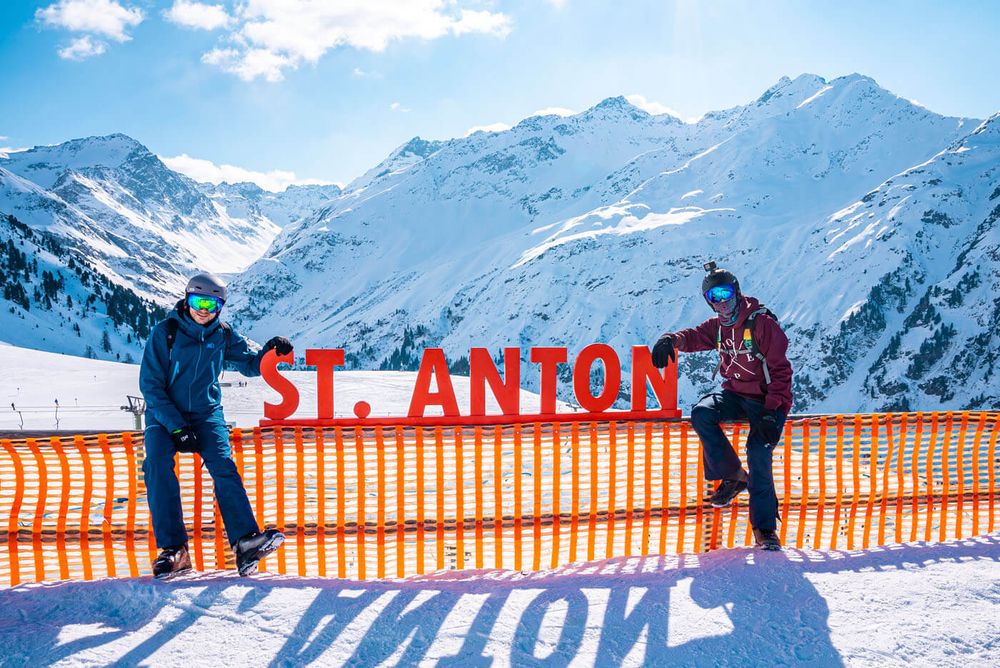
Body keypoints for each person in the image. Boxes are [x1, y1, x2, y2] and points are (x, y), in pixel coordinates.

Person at [139, 272, 294, 578]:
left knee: (223, 464)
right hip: (163, 413)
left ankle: (245, 542)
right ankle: (174, 550)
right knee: (156, 464)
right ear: (186, 298)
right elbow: (151, 386)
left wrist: (269, 352)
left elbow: (249, 365)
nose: (203, 309)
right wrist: (176, 427)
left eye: (212, 303)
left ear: (220, 306)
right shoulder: (166, 332)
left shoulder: (221, 334)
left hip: (206, 412)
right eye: (198, 301)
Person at [651, 262, 793, 550]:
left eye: (725, 292)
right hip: (736, 395)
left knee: (758, 453)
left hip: (767, 401)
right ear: (708, 302)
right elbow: (692, 336)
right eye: (714, 297)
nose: (722, 301)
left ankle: (765, 531)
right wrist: (670, 339)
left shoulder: (762, 325)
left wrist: (772, 410)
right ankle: (733, 476)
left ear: (737, 291)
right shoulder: (718, 328)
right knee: (702, 413)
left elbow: (782, 372)